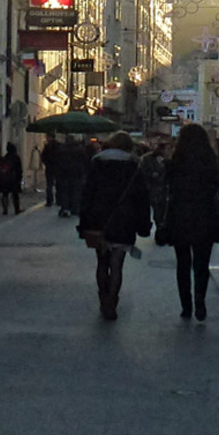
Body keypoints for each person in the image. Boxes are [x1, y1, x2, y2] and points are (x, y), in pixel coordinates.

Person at [76, 131, 153, 319]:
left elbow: (87, 194)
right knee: (117, 265)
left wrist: (84, 222)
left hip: (98, 220)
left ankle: (103, 298)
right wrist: (144, 225)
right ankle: (112, 301)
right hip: (124, 221)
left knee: (102, 262)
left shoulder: (97, 163)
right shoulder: (134, 166)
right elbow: (142, 198)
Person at [160, 122, 219, 320]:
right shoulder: (210, 160)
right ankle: (200, 299)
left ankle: (186, 305)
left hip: (180, 215)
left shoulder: (176, 161)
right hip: (205, 215)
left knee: (182, 263)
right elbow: (216, 186)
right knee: (201, 262)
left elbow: (169, 187)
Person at [138, 140, 170, 242]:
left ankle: (162, 231)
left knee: (163, 212)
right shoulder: (146, 159)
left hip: (166, 190)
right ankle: (160, 230)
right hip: (152, 190)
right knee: (158, 212)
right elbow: (142, 174)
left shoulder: (170, 159)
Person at [56, 137, 87, 219]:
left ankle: (65, 207)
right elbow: (85, 161)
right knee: (76, 192)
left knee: (65, 191)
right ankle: (75, 209)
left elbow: (57, 162)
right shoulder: (79, 150)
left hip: (64, 173)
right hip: (77, 174)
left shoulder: (61, 150)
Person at [0, 143, 23, 215]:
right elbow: (19, 170)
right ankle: (16, 209)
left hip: (5, 180)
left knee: (5, 194)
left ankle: (5, 209)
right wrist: (19, 179)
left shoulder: (5, 158)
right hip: (13, 180)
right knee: (15, 195)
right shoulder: (16, 158)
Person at [41, 134, 59, 207]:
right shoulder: (58, 146)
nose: (47, 138)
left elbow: (43, 156)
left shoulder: (48, 147)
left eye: (48, 137)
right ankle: (57, 200)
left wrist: (46, 163)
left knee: (49, 185)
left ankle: (50, 200)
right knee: (56, 184)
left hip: (50, 167)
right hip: (56, 167)